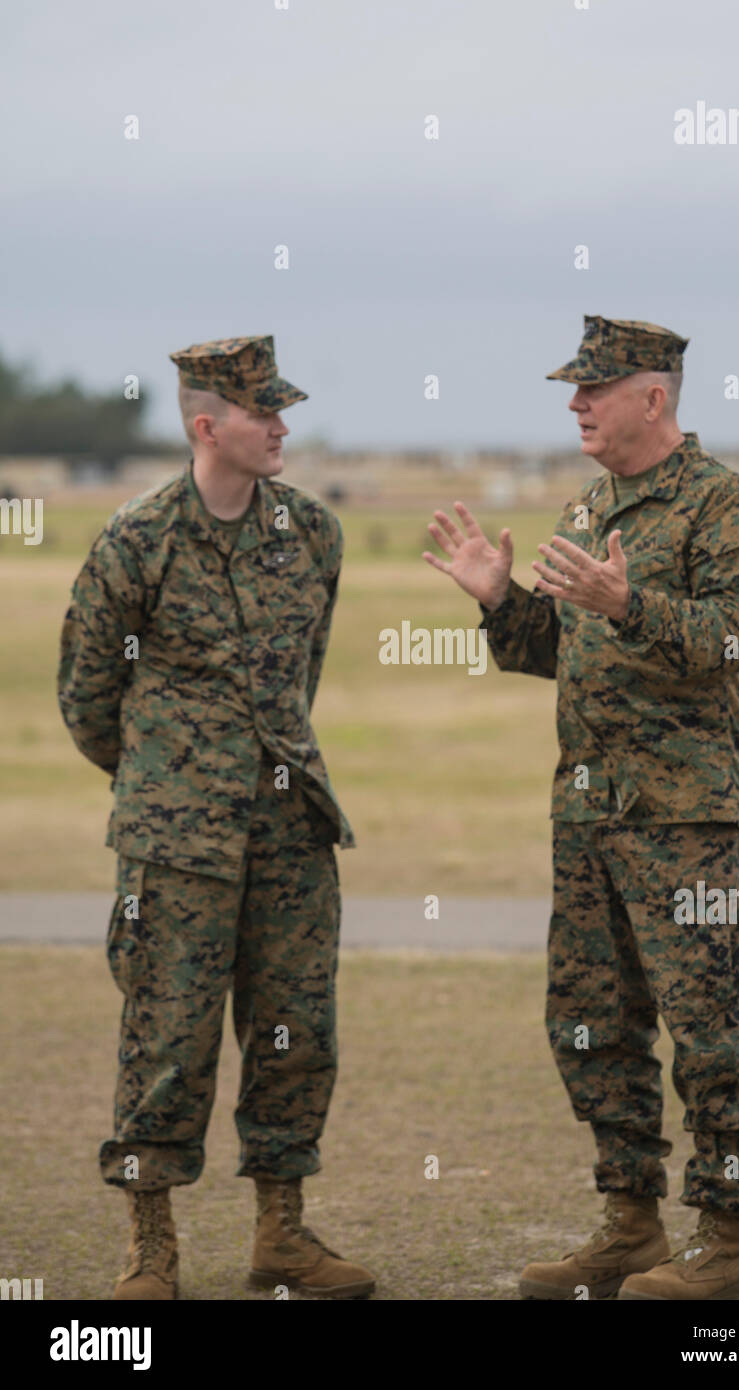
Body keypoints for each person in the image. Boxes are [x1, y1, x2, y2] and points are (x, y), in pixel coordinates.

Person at [423, 316, 739, 1301]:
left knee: (700, 1021)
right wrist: (501, 602)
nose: (575, 404)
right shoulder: (587, 509)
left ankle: (726, 1238)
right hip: (585, 811)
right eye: (573, 389)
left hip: (682, 812)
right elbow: (563, 650)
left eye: (593, 388)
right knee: (590, 1022)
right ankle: (629, 1221)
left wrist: (632, 605)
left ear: (652, 397)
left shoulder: (723, 503)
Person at [58, 334, 375, 1301]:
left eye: (281, 409)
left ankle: (283, 1233)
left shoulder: (313, 533)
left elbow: (299, 678)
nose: (281, 427)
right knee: (168, 1036)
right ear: (207, 425)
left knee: (296, 1032)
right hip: (177, 841)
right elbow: (87, 695)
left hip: (289, 830)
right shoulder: (137, 540)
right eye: (262, 411)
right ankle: (151, 1246)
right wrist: (166, 778)